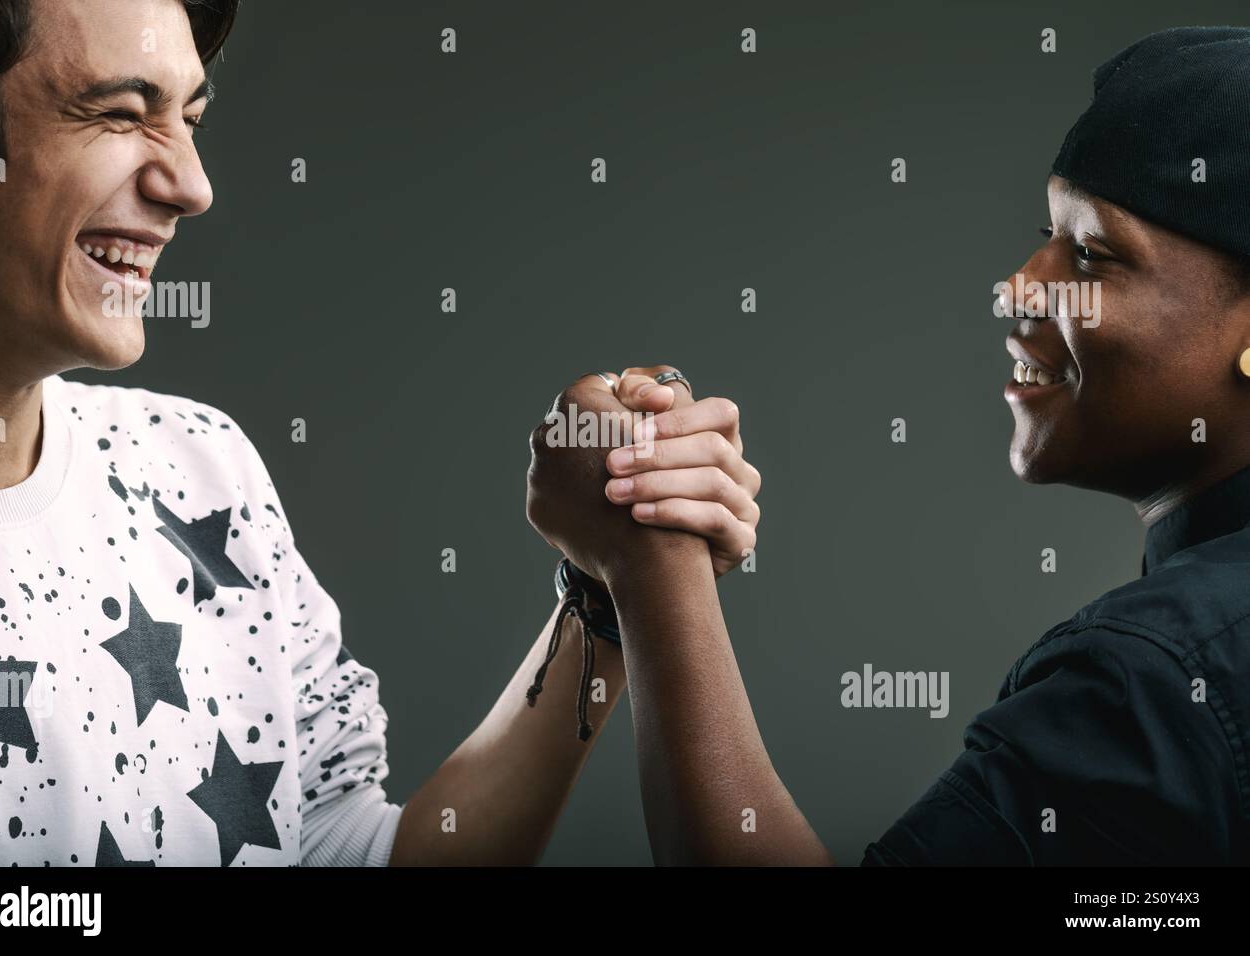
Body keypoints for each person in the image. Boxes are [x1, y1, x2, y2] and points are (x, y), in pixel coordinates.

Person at [0, 0, 764, 866]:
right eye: (118, 114)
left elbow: (346, 850)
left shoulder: (197, 469)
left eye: (188, 120)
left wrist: (607, 597)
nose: (191, 185)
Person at [526, 26, 1250, 865]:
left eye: (1091, 253)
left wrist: (648, 563)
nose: (1017, 287)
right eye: (1045, 235)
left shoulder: (1156, 680)